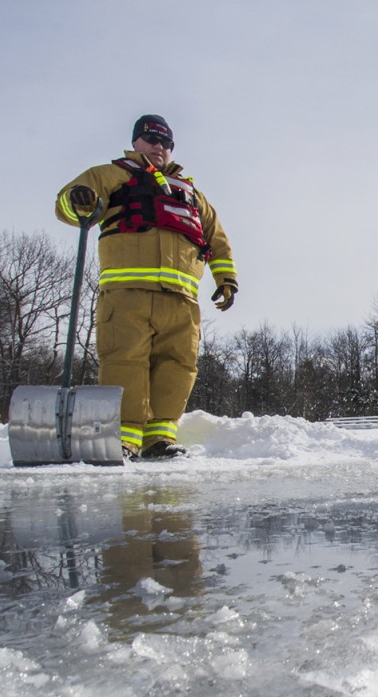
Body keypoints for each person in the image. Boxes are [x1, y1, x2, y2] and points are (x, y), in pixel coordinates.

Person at [55, 115, 237, 461]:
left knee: (178, 365)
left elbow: (217, 239)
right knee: (125, 360)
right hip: (127, 292)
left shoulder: (190, 192)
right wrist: (78, 200)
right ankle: (124, 437)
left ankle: (160, 438)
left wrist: (226, 278)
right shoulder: (111, 174)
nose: (159, 147)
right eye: (152, 139)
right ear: (136, 141)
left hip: (181, 299)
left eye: (166, 142)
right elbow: (67, 205)